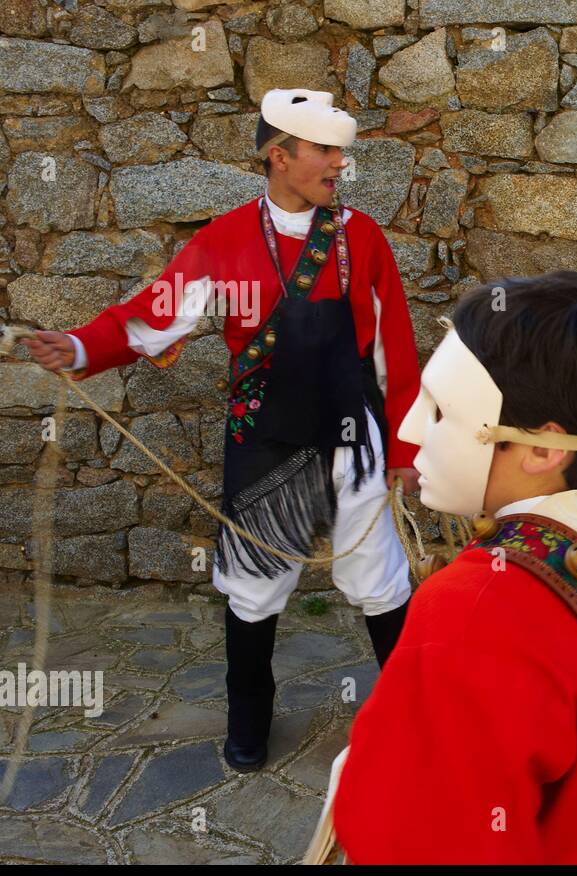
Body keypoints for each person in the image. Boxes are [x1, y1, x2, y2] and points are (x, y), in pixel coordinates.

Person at [25, 89, 422, 773]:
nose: (338, 162)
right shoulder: (225, 241)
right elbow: (153, 315)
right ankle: (249, 718)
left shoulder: (364, 238)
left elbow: (397, 348)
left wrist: (409, 447)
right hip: (267, 437)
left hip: (352, 434)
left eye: (339, 149)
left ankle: (422, 714)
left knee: (380, 575)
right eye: (324, 150)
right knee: (256, 585)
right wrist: (82, 345)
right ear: (279, 155)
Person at [330, 271, 577, 863]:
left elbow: (417, 841)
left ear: (543, 449)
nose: (407, 430)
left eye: (439, 413)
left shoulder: (469, 608)